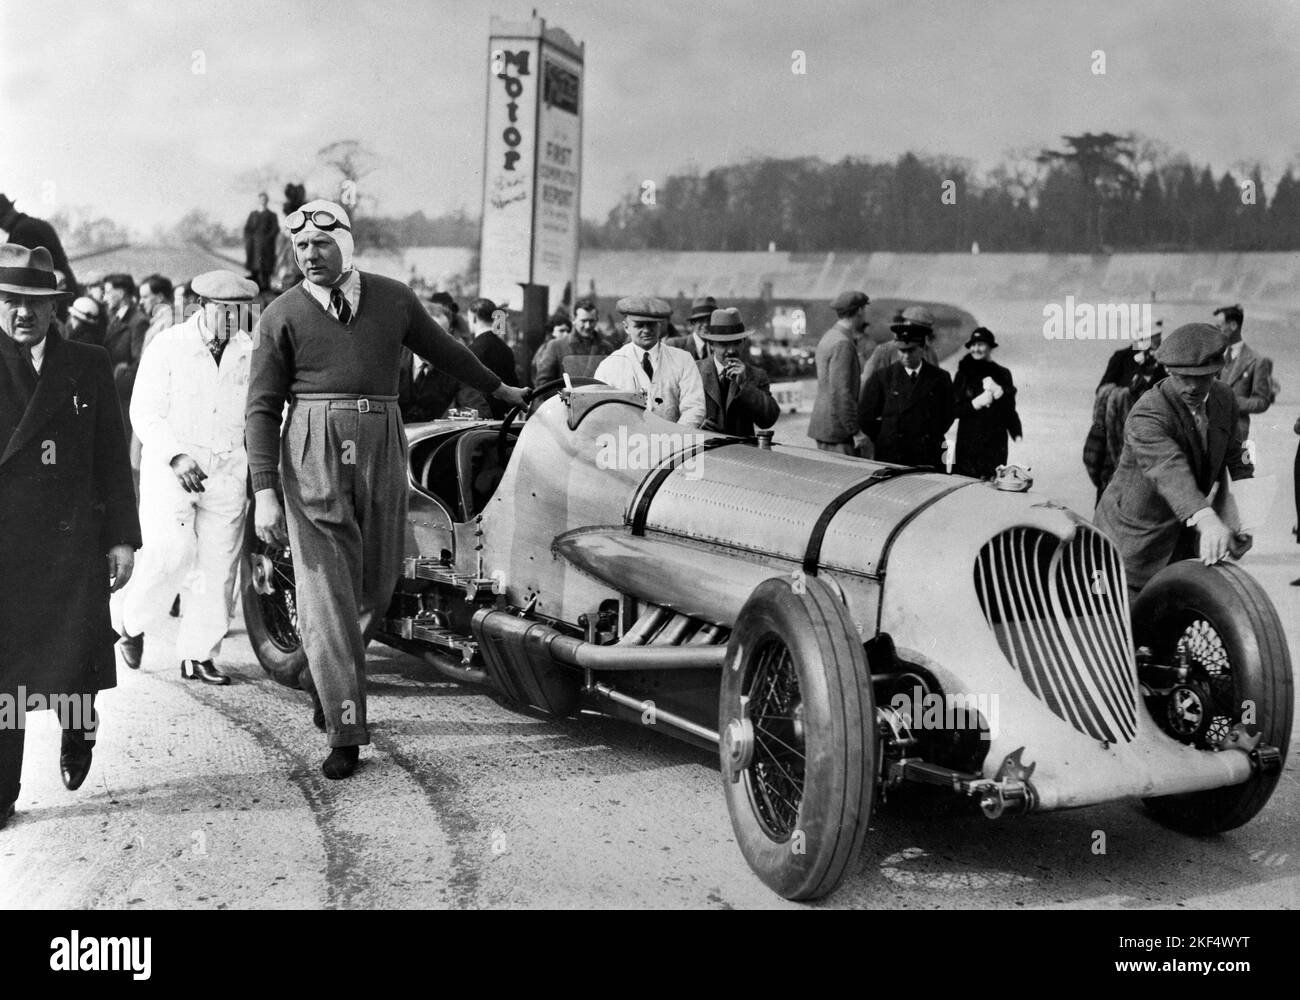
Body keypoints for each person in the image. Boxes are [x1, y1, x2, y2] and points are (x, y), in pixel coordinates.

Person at [245, 200, 527, 780]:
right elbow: (261, 408)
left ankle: (331, 676)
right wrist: (266, 489)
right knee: (326, 589)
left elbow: (444, 351)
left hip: (383, 446)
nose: (309, 256)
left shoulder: (394, 298)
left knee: (377, 581)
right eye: (300, 248)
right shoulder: (281, 314)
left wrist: (498, 389)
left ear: (347, 244)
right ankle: (346, 728)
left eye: (321, 245)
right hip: (313, 450)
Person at [0, 245, 140, 830]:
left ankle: (77, 727)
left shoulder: (87, 363)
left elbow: (111, 454)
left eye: (35, 302)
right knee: (5, 676)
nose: (22, 313)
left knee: (73, 657)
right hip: (6, 543)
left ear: (54, 307)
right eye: (10, 300)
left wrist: (122, 539)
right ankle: (2, 791)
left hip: (71, 539)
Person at [111, 270, 257, 686]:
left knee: (218, 568)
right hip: (172, 471)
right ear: (203, 306)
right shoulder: (169, 345)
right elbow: (145, 411)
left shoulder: (249, 350)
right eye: (223, 311)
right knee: (170, 554)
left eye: (240, 312)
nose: (231, 320)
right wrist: (176, 456)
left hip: (227, 471)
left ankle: (198, 655)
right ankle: (130, 623)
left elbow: (262, 411)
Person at [1094, 323, 1252, 598]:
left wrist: (1247, 518)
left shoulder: (1224, 399)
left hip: (1183, 544)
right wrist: (1208, 520)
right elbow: (1169, 469)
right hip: (1130, 548)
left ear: (1218, 370)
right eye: (1182, 376)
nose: (1192, 386)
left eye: (1202, 377)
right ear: (1167, 370)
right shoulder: (1147, 413)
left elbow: (1239, 459)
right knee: (1124, 633)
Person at [858, 307, 955, 470]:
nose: (906, 356)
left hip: (927, 453)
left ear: (922, 348)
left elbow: (947, 413)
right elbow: (866, 416)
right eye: (902, 351)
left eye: (911, 351)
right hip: (892, 454)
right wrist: (887, 436)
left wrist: (930, 434)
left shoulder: (940, 376)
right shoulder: (882, 375)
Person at [593, 296, 705, 427]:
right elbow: (601, 412)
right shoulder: (610, 365)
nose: (646, 330)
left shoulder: (682, 360)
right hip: (626, 443)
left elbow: (694, 407)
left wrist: (674, 438)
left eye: (651, 324)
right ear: (626, 327)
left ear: (659, 325)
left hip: (675, 442)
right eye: (639, 325)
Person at [398, 301, 489, 422]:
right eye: (430, 335)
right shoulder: (392, 356)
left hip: (431, 438)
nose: (437, 344)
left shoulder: (455, 365)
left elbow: (478, 409)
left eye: (442, 338)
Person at [951, 326, 1021, 480]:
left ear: (990, 347)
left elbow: (1010, 409)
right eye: (973, 345)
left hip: (995, 444)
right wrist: (975, 403)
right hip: (968, 444)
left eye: (981, 345)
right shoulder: (963, 375)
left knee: (992, 487)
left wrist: (1000, 392)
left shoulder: (1003, 373)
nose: (976, 349)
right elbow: (954, 410)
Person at [697, 308, 779, 436]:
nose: (731, 350)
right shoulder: (694, 371)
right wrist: (695, 426)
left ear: (744, 342)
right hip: (705, 451)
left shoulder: (756, 375)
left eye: (736, 343)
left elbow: (768, 420)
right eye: (724, 344)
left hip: (742, 453)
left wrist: (744, 385)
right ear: (711, 345)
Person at [808, 290, 869, 454]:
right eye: (864, 311)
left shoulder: (830, 336)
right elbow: (841, 392)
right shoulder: (843, 343)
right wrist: (854, 430)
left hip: (826, 427)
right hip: (838, 431)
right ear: (860, 311)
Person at [1213, 304, 1275, 445]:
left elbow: (1262, 401)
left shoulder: (1256, 360)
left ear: (1234, 325)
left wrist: (1233, 402)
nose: (1215, 332)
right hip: (1208, 431)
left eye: (1218, 327)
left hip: (1236, 434)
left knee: (1240, 467)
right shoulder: (1212, 356)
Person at [0, 194, 78, 305]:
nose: (1, 226)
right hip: (67, 288)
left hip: (54, 295)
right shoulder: (37, 223)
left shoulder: (21, 231)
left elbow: (23, 274)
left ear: (6, 214)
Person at [101, 273, 150, 442]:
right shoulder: (114, 317)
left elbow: (140, 362)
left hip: (124, 398)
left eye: (107, 292)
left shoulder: (138, 322)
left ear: (121, 293)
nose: (104, 297)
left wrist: (118, 377)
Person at [532, 296, 612, 385]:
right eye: (583, 321)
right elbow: (543, 383)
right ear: (573, 320)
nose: (588, 326)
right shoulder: (556, 346)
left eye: (591, 321)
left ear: (597, 320)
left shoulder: (606, 348)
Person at [466, 298, 518, 419]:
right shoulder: (506, 349)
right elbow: (513, 384)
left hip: (477, 417)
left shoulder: (472, 349)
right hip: (501, 417)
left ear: (473, 318)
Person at [244, 192, 280, 291]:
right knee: (254, 264)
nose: (263, 201)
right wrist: (250, 239)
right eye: (261, 199)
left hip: (266, 245)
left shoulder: (272, 215)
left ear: (267, 201)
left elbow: (275, 229)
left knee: (265, 265)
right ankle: (255, 285)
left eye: (265, 199)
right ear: (259, 200)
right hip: (254, 245)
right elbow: (247, 228)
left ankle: (265, 285)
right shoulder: (253, 214)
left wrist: (267, 239)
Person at [664, 296, 716, 362]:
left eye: (709, 320)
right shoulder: (675, 345)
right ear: (692, 323)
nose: (706, 324)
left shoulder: (718, 349)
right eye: (701, 320)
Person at [138, 273, 175, 352]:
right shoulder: (159, 321)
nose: (141, 302)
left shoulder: (167, 323)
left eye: (145, 297)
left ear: (160, 297)